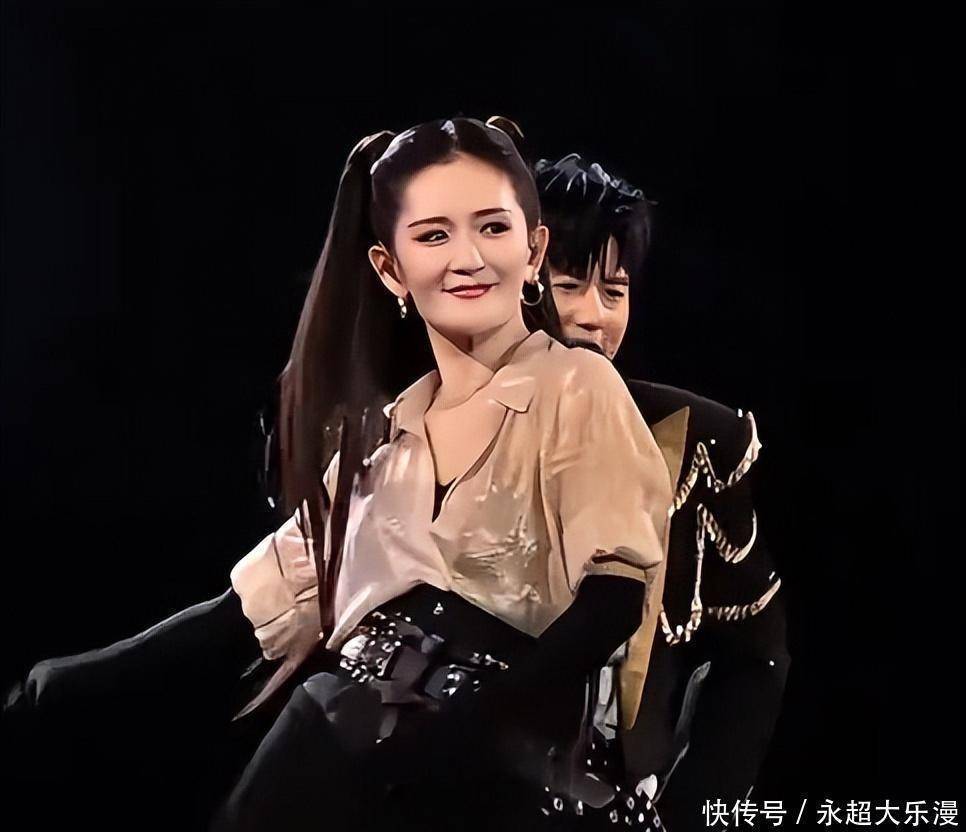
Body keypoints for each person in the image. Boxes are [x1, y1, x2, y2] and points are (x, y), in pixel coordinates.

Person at [5, 119, 675, 832]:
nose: (469, 258)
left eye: (492, 227)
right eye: (434, 235)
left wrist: (458, 739)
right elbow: (248, 611)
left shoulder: (574, 387)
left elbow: (612, 601)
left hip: (484, 778)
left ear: (533, 248)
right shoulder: (385, 442)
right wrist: (58, 684)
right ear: (390, 269)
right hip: (339, 745)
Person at [535, 152, 791, 831]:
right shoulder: (439, 422)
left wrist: (692, 813)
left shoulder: (698, 440)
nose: (593, 316)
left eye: (614, 291)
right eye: (568, 284)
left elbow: (754, 660)